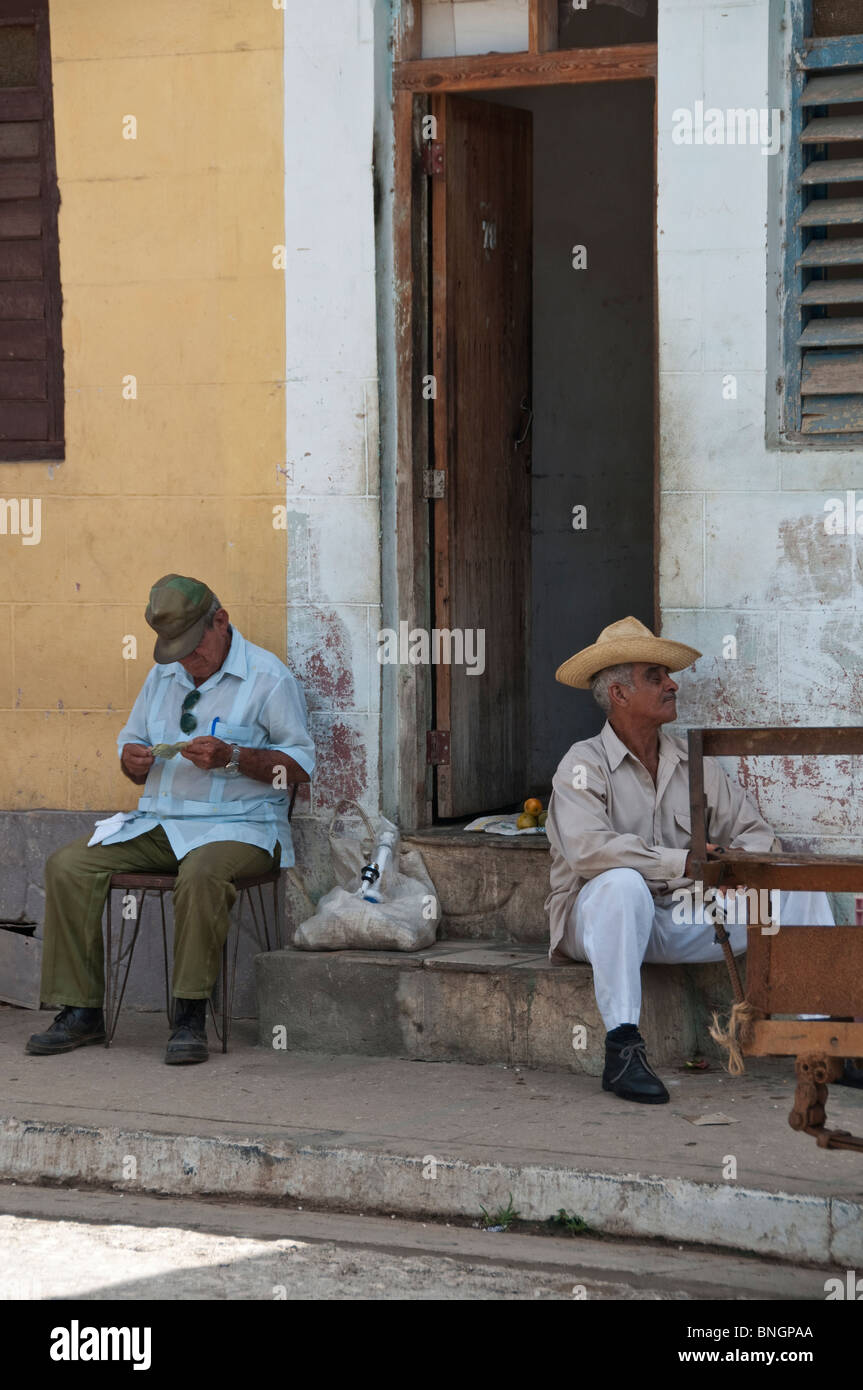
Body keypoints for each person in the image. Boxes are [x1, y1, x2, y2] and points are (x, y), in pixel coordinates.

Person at [26, 574, 314, 1066]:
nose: (185, 662)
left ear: (220, 622)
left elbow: (300, 771)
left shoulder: (269, 678)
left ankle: (189, 1014)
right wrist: (131, 762)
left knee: (201, 873)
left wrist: (234, 757)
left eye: (192, 649)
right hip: (162, 823)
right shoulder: (163, 677)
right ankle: (80, 1011)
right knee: (68, 865)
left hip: (243, 826)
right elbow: (131, 747)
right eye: (174, 651)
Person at [545, 616, 835, 1104]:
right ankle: (622, 1049)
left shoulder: (690, 762)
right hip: (600, 922)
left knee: (793, 888)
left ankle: (826, 1043)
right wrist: (681, 862)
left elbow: (757, 835)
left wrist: (734, 872)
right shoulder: (582, 764)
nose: (672, 685)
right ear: (618, 693)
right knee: (622, 885)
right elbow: (587, 848)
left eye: (667, 676)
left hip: (682, 917)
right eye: (655, 677)